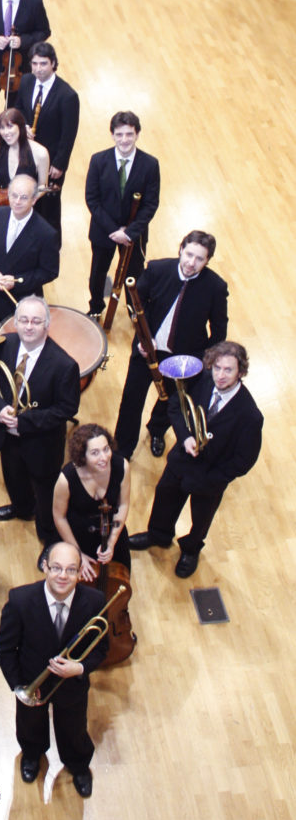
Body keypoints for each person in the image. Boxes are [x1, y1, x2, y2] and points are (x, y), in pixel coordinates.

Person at [129, 341, 263, 578]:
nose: (220, 375)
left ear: (241, 372)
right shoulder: (202, 380)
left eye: (228, 370)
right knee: (164, 500)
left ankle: (191, 550)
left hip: (211, 476)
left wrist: (215, 479)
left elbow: (244, 460)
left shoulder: (250, 415)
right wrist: (185, 438)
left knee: (201, 519)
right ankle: (158, 535)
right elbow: (175, 408)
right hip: (181, 461)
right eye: (217, 368)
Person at [0, 541, 108, 797]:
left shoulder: (94, 601)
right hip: (32, 682)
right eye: (56, 567)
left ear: (81, 572)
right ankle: (32, 755)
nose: (63, 576)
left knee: (74, 728)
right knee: (29, 725)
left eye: (71, 570)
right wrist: (19, 687)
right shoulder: (20, 600)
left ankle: (78, 765)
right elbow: (5, 650)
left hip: (72, 684)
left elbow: (101, 650)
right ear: (44, 566)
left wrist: (79, 668)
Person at [114, 230, 228, 460]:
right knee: (131, 399)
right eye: (188, 254)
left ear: (207, 261)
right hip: (146, 349)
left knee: (170, 402)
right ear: (181, 249)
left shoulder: (215, 287)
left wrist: (201, 362)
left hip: (183, 357)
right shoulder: (157, 269)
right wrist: (142, 339)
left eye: (199, 259)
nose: (191, 263)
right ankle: (123, 450)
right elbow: (135, 308)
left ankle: (156, 430)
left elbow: (219, 332)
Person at [0, 296, 80, 553]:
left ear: (47, 325)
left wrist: (24, 421)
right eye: (23, 320)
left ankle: (49, 537)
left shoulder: (64, 364)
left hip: (41, 442)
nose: (28, 326)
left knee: (45, 492)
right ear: (15, 321)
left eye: (36, 321)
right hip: (6, 433)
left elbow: (66, 409)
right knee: (13, 476)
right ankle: (21, 507)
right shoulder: (4, 344)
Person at [84, 111, 161, 318]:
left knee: (133, 274)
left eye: (129, 134)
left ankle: (133, 309)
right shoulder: (99, 160)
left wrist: (129, 232)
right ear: (112, 135)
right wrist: (114, 230)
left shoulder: (150, 164)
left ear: (137, 134)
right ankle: (96, 307)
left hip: (133, 235)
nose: (124, 140)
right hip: (104, 231)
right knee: (98, 273)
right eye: (119, 134)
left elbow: (151, 204)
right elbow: (92, 199)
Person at [0, 173, 60, 332]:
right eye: (14, 195)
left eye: (23, 197)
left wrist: (17, 280)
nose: (17, 201)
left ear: (34, 200)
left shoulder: (46, 233)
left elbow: (50, 272)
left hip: (21, 302)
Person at [52, 424, 131, 583]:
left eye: (106, 449)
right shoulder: (67, 478)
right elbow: (59, 517)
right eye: (95, 453)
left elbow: (123, 505)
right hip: (77, 537)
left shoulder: (121, 466)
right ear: (83, 456)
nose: (104, 458)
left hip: (112, 531)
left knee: (118, 581)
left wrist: (111, 542)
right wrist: (78, 554)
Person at [15, 42, 79, 234]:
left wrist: (59, 164)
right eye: (34, 64)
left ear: (53, 64)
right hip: (27, 154)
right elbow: (17, 108)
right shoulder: (26, 81)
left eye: (43, 64)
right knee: (27, 195)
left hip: (51, 162)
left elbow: (69, 134)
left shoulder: (67, 95)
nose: (38, 69)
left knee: (48, 206)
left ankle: (51, 243)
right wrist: (23, 125)